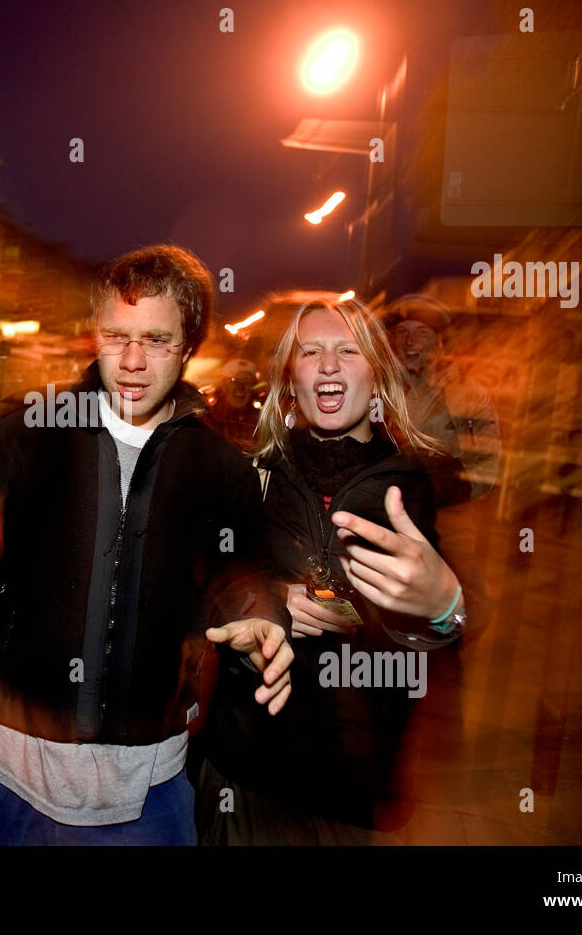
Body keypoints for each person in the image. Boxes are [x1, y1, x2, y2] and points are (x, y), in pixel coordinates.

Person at [0, 244, 294, 845]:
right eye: (117, 336)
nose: (133, 361)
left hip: (147, 792)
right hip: (0, 775)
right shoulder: (32, 427)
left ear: (189, 346)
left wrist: (263, 618)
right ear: (96, 334)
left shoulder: (223, 469)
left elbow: (247, 574)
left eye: (158, 341)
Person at [193, 296, 467, 845]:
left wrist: (444, 609)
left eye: (349, 350)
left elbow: (439, 644)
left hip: (348, 785)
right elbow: (202, 587)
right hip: (246, 770)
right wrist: (268, 600)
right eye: (311, 351)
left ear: (379, 381)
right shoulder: (252, 475)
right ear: (291, 381)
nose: (329, 364)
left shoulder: (408, 489)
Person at [387, 294, 502, 502]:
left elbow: (487, 464)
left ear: (439, 340)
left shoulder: (467, 393)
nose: (410, 341)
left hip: (442, 518)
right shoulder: (377, 387)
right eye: (402, 332)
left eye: (421, 332)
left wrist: (448, 492)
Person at [208, 357, 262, 447]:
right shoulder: (210, 419)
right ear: (224, 386)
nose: (240, 387)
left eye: (247, 381)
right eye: (234, 380)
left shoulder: (261, 420)